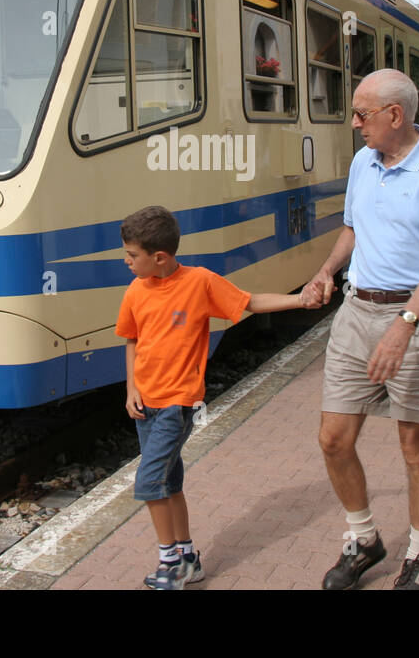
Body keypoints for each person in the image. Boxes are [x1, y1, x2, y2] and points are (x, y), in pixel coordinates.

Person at [301, 68, 419, 591]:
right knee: (333, 438)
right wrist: (327, 270)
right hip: (359, 312)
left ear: (394, 115)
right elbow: (352, 226)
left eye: (361, 114)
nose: (355, 125)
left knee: (415, 444)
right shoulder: (363, 162)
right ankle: (365, 538)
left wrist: (406, 324)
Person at [117, 204, 303, 590]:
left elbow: (249, 302)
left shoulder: (199, 282)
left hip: (176, 403)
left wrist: (301, 301)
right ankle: (188, 557)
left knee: (150, 483)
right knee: (169, 483)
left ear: (160, 257)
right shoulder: (136, 290)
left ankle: (170, 564)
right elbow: (132, 338)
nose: (126, 261)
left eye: (132, 255)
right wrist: (131, 388)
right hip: (145, 404)